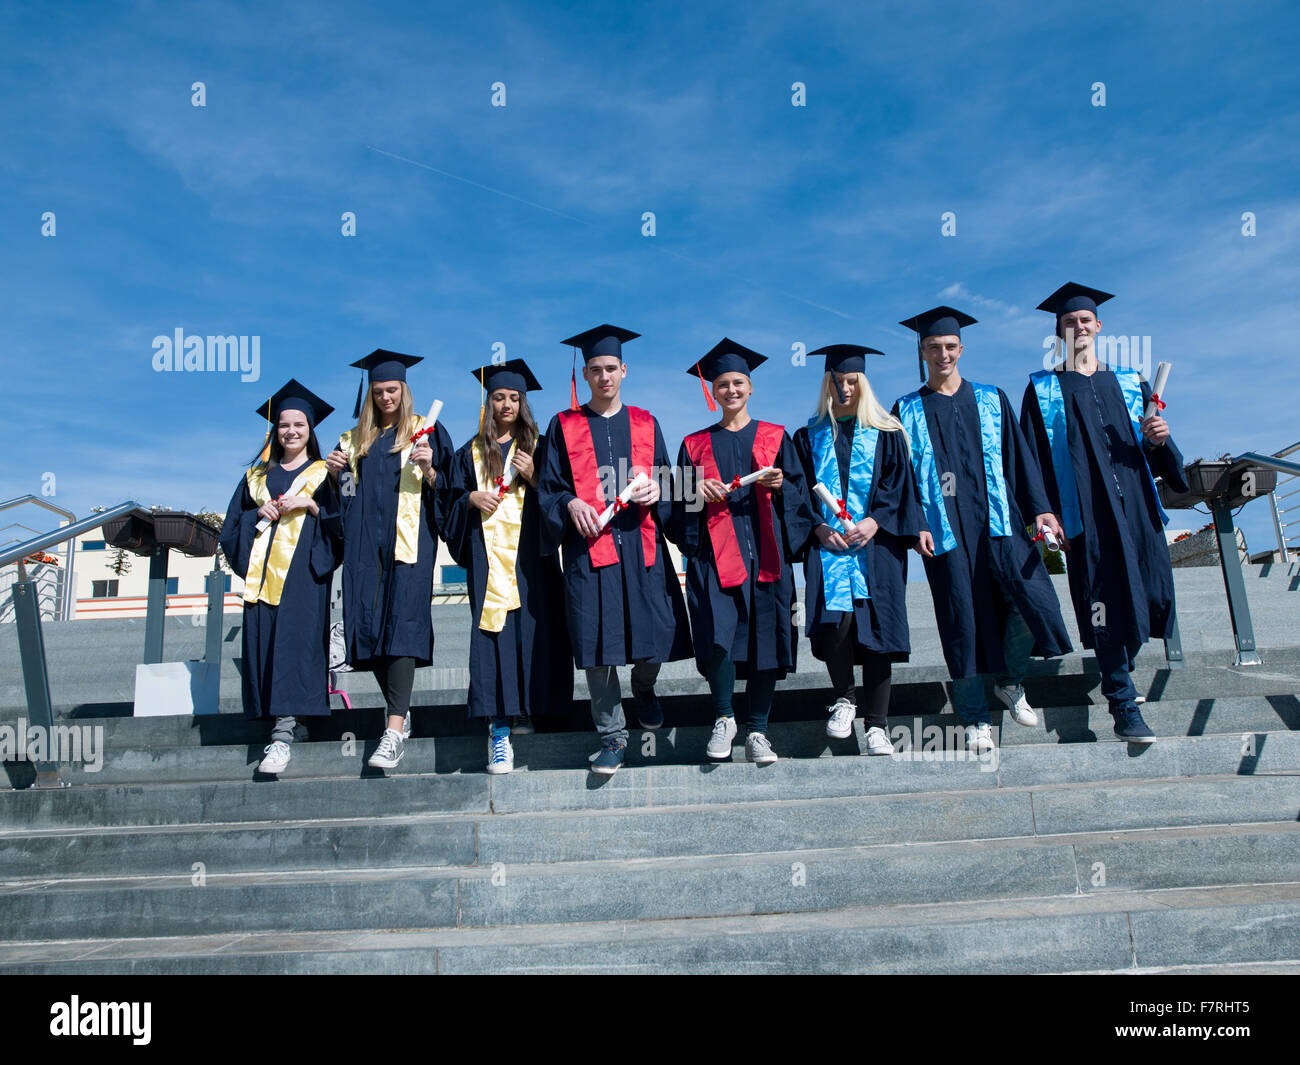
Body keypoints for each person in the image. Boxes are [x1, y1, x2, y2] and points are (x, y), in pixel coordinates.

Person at [893, 306, 1072, 753]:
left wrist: (1041, 510)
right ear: (922, 351)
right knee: (962, 619)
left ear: (961, 348)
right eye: (934, 347)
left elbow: (1020, 459)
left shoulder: (992, 398)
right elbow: (900, 477)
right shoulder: (907, 409)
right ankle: (974, 718)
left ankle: (1010, 681)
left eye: (950, 346)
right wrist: (915, 524)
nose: (943, 354)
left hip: (1001, 521)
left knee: (1033, 599)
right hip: (944, 527)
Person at [1020, 283, 1188, 744]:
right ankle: (1123, 703)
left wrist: (1159, 439)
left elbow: (1158, 456)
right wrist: (1043, 511)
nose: (1078, 327)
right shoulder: (1042, 389)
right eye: (1069, 322)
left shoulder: (1130, 383)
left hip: (1136, 508)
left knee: (1149, 594)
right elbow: (1029, 460)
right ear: (1059, 331)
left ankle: (1123, 667)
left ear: (1099, 326)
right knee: (1104, 600)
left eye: (1085, 320)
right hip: (1086, 514)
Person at [537, 324, 692, 776]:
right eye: (595, 370)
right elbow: (549, 488)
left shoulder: (647, 422)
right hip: (590, 554)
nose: (604, 377)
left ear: (624, 370)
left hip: (641, 550)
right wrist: (568, 503)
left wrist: (656, 491)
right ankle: (612, 735)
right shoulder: (562, 426)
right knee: (595, 644)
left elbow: (672, 482)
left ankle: (644, 688)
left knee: (653, 639)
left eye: (611, 369)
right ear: (584, 374)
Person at [669, 339, 815, 765]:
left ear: (750, 388)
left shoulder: (775, 436)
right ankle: (723, 718)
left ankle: (758, 731)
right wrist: (695, 491)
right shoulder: (694, 444)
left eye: (738, 383)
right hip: (715, 557)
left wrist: (780, 486)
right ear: (712, 391)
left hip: (766, 557)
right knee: (717, 636)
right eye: (722, 384)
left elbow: (801, 495)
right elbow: (673, 503)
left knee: (767, 640)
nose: (731, 390)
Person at [441, 358, 573, 774]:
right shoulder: (470, 453)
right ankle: (499, 726)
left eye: (514, 398)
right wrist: (469, 500)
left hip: (533, 558)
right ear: (488, 402)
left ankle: (534, 712)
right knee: (493, 634)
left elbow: (563, 495)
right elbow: (446, 502)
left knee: (538, 633)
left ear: (523, 403)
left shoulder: (540, 446)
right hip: (488, 561)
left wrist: (535, 478)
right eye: (498, 397)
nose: (506, 404)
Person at [324, 349, 454, 771]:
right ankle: (401, 713)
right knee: (369, 629)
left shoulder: (425, 432)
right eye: (378, 391)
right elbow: (343, 501)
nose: (385, 398)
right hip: (364, 550)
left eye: (392, 390)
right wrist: (337, 476)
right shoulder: (352, 442)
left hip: (409, 548)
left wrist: (432, 470)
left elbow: (451, 488)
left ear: (404, 390)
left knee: (401, 627)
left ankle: (394, 728)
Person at [792, 345, 923, 756]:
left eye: (852, 381)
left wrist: (875, 520)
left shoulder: (887, 433)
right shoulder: (807, 436)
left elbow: (899, 486)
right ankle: (845, 699)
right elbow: (797, 494)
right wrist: (816, 528)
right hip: (829, 547)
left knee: (877, 631)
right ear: (827, 383)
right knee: (837, 623)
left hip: (876, 547)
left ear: (863, 384)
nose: (845, 388)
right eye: (837, 381)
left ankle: (878, 726)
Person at [218, 380, 342, 775]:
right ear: (275, 431)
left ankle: (283, 735)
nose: (291, 431)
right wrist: (259, 514)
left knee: (295, 646)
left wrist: (309, 503)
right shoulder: (256, 476)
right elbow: (231, 526)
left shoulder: (325, 474)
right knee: (269, 645)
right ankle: (289, 723)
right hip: (260, 577)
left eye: (299, 425)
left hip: (304, 575)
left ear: (310, 431)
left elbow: (343, 523)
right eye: (284, 425)